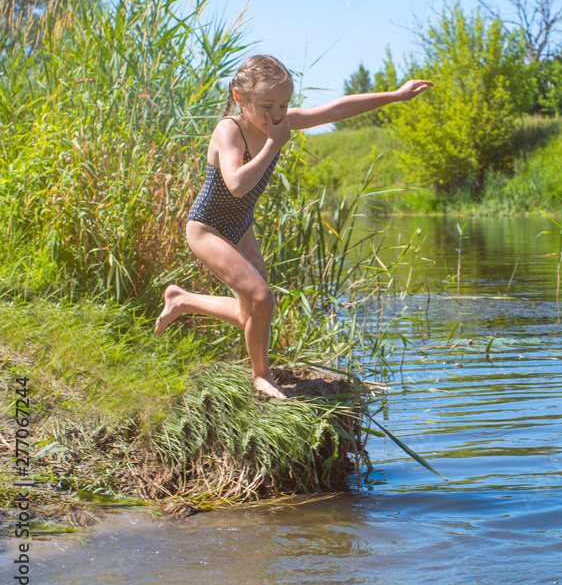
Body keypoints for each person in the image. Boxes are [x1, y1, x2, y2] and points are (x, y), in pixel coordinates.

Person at [154, 54, 433, 399]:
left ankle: (181, 299)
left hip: (240, 225)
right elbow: (237, 185)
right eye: (267, 105)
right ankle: (261, 376)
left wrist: (395, 95)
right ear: (241, 98)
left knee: (252, 313)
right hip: (207, 228)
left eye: (284, 105)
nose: (276, 115)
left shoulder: (279, 123)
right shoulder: (231, 129)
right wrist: (274, 143)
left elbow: (335, 110)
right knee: (262, 298)